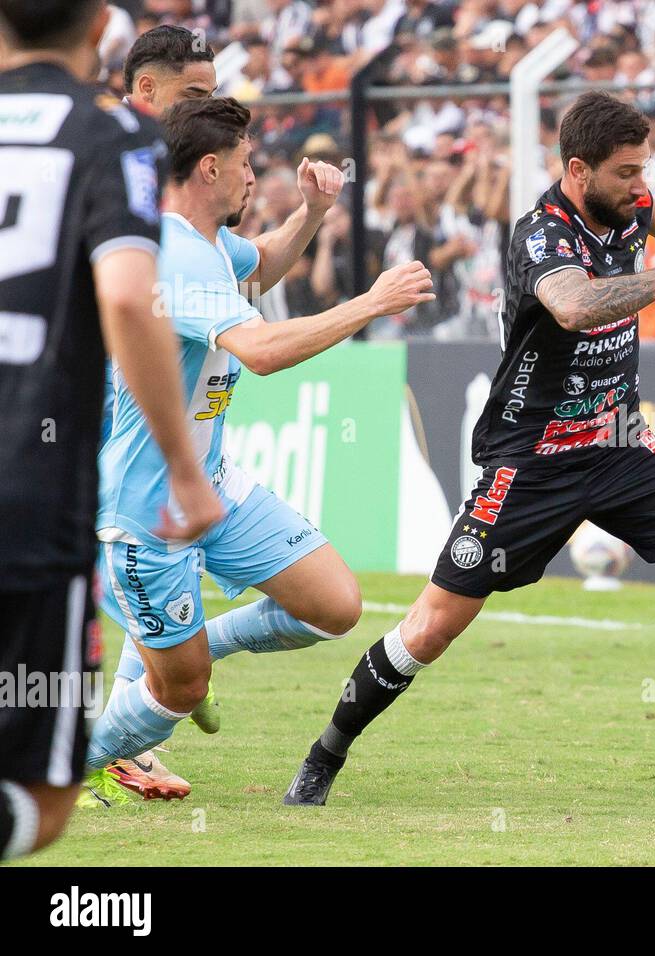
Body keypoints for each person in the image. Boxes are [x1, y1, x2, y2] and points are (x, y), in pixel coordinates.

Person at [283, 92, 655, 806]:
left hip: (622, 447)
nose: (639, 185)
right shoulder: (544, 233)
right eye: (625, 171)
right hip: (530, 461)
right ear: (576, 171)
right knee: (430, 629)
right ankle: (326, 754)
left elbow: (653, 210)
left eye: (643, 168)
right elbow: (574, 305)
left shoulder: (626, 200)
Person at [86, 97, 436, 798]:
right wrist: (370, 303)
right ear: (210, 168)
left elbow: (265, 262)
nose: (255, 177)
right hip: (149, 510)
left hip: (211, 485)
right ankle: (65, 765)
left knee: (333, 605)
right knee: (181, 692)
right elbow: (263, 351)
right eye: (247, 165)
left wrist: (310, 212)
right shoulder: (177, 258)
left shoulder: (210, 240)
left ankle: (193, 647)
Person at [0, 0, 223, 859]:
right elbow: (130, 296)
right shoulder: (116, 138)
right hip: (32, 500)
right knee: (43, 799)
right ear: (100, 28)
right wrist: (186, 468)